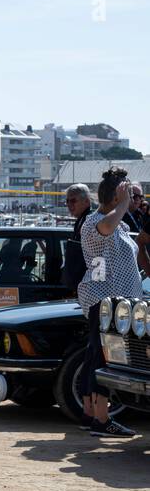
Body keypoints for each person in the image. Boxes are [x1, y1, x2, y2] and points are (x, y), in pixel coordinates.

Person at [76, 169, 142, 438]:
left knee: (95, 356)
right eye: (126, 194)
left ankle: (92, 415)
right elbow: (106, 227)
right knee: (104, 359)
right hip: (105, 301)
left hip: (119, 303)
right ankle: (102, 420)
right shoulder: (95, 223)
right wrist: (125, 203)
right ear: (115, 197)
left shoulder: (121, 225)